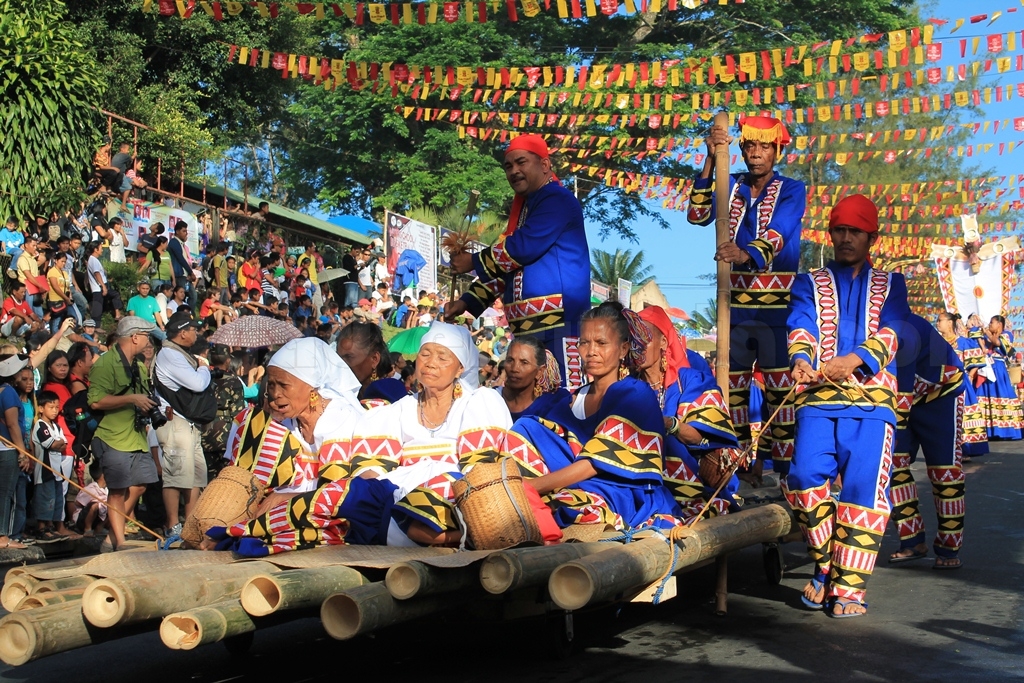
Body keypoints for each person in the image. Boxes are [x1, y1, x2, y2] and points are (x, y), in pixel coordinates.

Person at [216, 322, 512, 554]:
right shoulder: (396, 411)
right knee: (338, 502)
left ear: (460, 367)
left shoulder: (478, 402)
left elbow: (478, 470)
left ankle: (458, 536)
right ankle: (247, 535)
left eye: (442, 356)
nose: (431, 362)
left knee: (347, 501)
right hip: (394, 499)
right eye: (425, 353)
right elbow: (373, 472)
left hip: (455, 497)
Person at [785, 194, 909, 618]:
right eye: (839, 230)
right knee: (802, 477)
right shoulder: (809, 281)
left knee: (862, 491)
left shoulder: (893, 283)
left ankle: (849, 589)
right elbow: (801, 322)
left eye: (854, 231)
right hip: (818, 399)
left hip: (873, 404)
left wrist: (855, 359)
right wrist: (802, 359)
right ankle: (825, 566)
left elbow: (893, 332)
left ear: (871, 237)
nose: (845, 238)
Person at [686, 115, 805, 476]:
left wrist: (746, 253)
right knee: (733, 394)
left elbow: (780, 230)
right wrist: (710, 159)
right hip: (733, 307)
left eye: (764, 147)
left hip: (777, 309)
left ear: (777, 150)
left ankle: (785, 478)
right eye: (750, 146)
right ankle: (736, 473)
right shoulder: (730, 183)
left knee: (780, 394)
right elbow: (696, 215)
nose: (756, 154)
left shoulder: (792, 189)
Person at [504, 302, 682, 530]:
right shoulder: (570, 400)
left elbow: (593, 464)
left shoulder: (635, 394)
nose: (591, 352)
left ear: (623, 349)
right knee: (526, 427)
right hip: (569, 484)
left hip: (621, 494)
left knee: (568, 507)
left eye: (601, 343)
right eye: (584, 343)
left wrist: (527, 487)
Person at [447, 134, 590, 390]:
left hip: (558, 326)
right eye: (508, 166)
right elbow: (506, 268)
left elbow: (523, 248)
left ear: (545, 165)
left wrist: (472, 261)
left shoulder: (557, 200)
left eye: (521, 162)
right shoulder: (524, 209)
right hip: (526, 332)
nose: (514, 171)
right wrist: (466, 302)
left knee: (566, 397)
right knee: (529, 404)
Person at [636, 305, 741, 519]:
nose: (639, 346)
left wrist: (669, 424)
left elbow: (699, 436)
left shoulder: (690, 380)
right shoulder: (627, 384)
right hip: (640, 474)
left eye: (645, 339)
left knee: (668, 444)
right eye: (633, 340)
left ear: (663, 342)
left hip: (688, 473)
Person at [887, 314, 966, 570]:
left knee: (945, 472)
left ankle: (949, 545)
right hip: (897, 400)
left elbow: (906, 379)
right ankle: (912, 540)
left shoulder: (903, 323)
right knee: (893, 468)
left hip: (940, 394)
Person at [87, 316, 163, 551]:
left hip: (137, 436)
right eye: (146, 336)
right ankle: (119, 542)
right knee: (118, 490)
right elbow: (95, 402)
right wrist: (131, 398)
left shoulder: (138, 365)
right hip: (114, 437)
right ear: (134, 337)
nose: (149, 341)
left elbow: (141, 396)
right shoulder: (105, 363)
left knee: (141, 485)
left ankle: (111, 536)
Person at [153, 312, 215, 539]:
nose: (195, 333)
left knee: (196, 476)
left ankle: (189, 525)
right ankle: (173, 526)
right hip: (175, 423)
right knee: (176, 475)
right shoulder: (170, 354)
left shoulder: (179, 353)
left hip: (188, 424)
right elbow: (198, 384)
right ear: (182, 333)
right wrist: (203, 367)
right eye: (193, 330)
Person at [936, 312, 989, 459]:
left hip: (960, 383)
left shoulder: (964, 342)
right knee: (943, 417)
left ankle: (965, 449)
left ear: (950, 323)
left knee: (962, 415)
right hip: (941, 383)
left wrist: (971, 375)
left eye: (940, 320)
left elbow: (976, 361)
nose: (938, 323)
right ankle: (945, 451)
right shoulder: (936, 342)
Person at [31, 390, 78, 540]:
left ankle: (51, 526)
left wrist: (58, 444)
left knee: (56, 499)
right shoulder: (40, 425)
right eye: (51, 407)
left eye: (57, 407)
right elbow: (51, 444)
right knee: (45, 498)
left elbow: (63, 444)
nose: (55, 411)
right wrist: (57, 444)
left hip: (57, 471)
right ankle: (41, 527)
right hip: (45, 470)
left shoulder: (56, 427)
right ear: (41, 408)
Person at [335, 322, 407, 408]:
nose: (340, 364)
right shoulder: (334, 392)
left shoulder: (392, 395)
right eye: (337, 357)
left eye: (349, 357)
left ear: (374, 359)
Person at [499, 336, 569, 420]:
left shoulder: (554, 404)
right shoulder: (489, 399)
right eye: (510, 360)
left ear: (539, 371)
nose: (514, 369)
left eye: (524, 363)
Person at [976, 314, 1023, 440]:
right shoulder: (985, 336)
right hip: (987, 369)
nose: (990, 325)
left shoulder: (1007, 335)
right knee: (986, 396)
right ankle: (988, 429)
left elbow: (996, 342)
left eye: (992, 322)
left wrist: (986, 333)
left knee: (1001, 394)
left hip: (999, 369)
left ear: (999, 325)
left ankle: (1005, 429)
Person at [0, 355, 30, 549]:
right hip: (8, 449)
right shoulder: (8, 392)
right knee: (7, 494)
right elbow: (12, 424)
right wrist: (22, 452)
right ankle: (4, 537)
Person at [85, 241, 123, 321]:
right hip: (98, 287)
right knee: (98, 306)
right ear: (96, 249)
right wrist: (103, 286)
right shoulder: (93, 260)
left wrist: (107, 280)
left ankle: (117, 314)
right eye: (101, 248)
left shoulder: (94, 260)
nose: (102, 250)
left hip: (101, 285)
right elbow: (97, 274)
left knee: (115, 295)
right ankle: (95, 326)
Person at [46, 251, 74, 333]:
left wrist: (69, 296)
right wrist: (66, 298)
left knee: (62, 321)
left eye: (65, 262)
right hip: (55, 299)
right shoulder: (52, 272)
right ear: (56, 260)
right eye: (62, 261)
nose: (63, 263)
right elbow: (56, 287)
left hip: (64, 300)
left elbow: (67, 286)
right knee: (56, 321)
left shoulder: (64, 273)